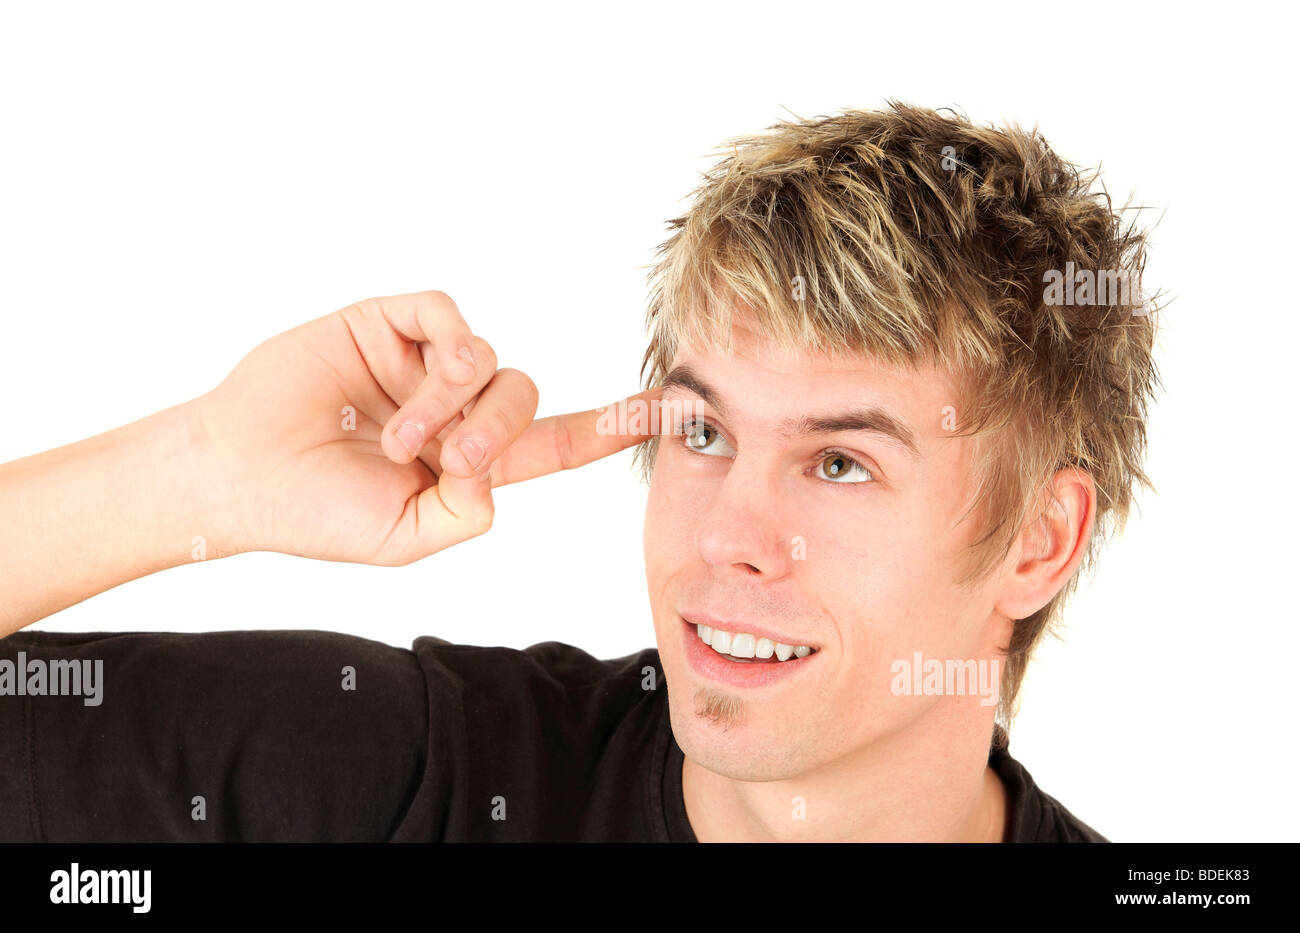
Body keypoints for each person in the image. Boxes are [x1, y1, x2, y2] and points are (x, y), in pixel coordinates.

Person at [0, 102, 1156, 842]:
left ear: (1036, 540)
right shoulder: (423, 776)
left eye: (840, 463)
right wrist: (203, 478)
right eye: (703, 433)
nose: (726, 537)